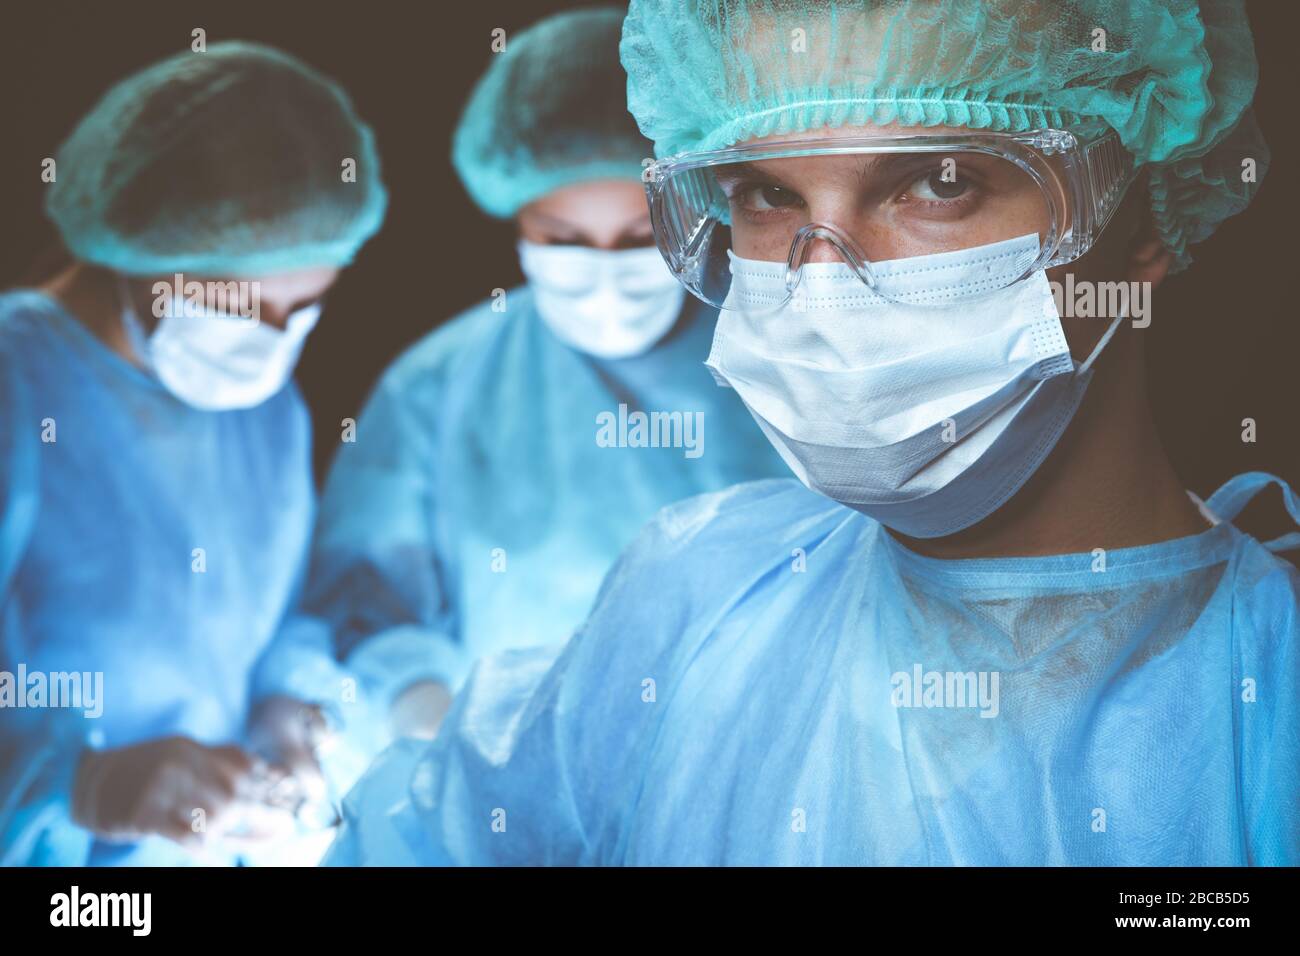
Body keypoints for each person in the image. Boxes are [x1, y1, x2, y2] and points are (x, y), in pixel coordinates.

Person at [326, 0, 1298, 866]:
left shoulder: (1267, 708)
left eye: (941, 181)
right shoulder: (695, 596)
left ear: (1142, 226)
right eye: (766, 194)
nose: (822, 283)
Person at [248, 6, 785, 779]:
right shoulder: (442, 386)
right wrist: (428, 718)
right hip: (516, 788)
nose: (601, 266)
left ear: (698, 210)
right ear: (516, 224)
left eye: (640, 237)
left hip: (750, 774)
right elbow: (365, 610)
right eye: (563, 238)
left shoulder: (785, 359)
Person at [0, 42, 387, 865]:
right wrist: (78, 787)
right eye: (241, 302)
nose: (271, 342)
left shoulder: (266, 411)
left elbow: (273, 613)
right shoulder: (16, 387)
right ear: (136, 247)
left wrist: (289, 701)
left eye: (305, 307)